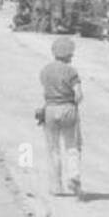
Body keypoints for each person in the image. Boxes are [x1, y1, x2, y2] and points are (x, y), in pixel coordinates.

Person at [40, 36, 83, 197]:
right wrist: (74, 102)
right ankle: (73, 176)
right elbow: (78, 95)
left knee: (53, 149)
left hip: (50, 110)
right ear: (69, 53)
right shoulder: (71, 71)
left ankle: (56, 187)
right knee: (72, 146)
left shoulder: (45, 70)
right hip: (68, 109)